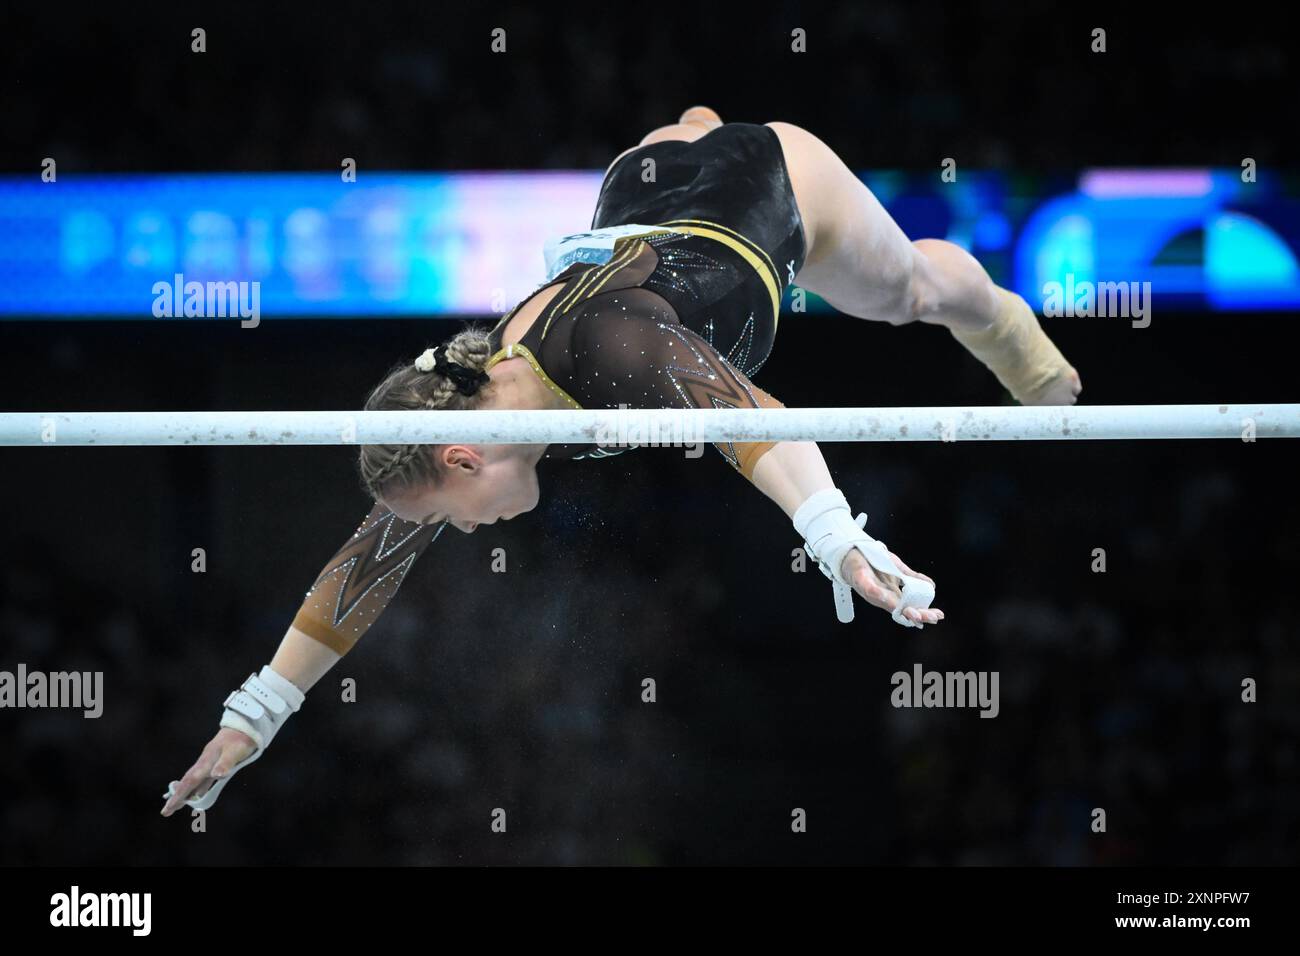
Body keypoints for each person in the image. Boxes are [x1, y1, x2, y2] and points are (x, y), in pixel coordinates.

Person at [162, 107, 1079, 816]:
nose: (460, 529)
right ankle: (692, 123)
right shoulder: (480, 397)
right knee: (689, 135)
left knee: (906, 294)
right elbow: (362, 570)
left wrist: (836, 536)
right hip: (640, 189)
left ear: (461, 452)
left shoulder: (607, 352)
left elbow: (754, 418)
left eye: (448, 512)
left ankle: (1003, 321)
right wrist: (254, 716)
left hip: (767, 186)